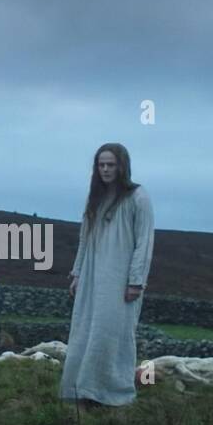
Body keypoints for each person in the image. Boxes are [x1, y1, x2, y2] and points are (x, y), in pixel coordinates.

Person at [59, 143, 155, 407]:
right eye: (101, 164)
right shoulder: (96, 199)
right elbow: (84, 239)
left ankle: (113, 393)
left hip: (119, 278)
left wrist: (136, 281)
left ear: (121, 166)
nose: (105, 169)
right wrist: (77, 273)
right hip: (92, 277)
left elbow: (144, 243)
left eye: (110, 164)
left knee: (111, 333)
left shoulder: (138, 197)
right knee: (84, 331)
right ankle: (82, 390)